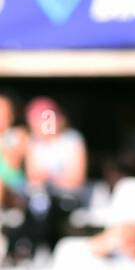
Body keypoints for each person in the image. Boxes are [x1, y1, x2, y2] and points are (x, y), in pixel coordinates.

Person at [9, 97, 86, 261]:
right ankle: (23, 253)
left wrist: (50, 178)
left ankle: (33, 253)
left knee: (44, 211)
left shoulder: (72, 140)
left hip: (65, 201)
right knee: (37, 207)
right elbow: (33, 177)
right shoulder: (34, 143)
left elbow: (75, 179)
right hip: (39, 200)